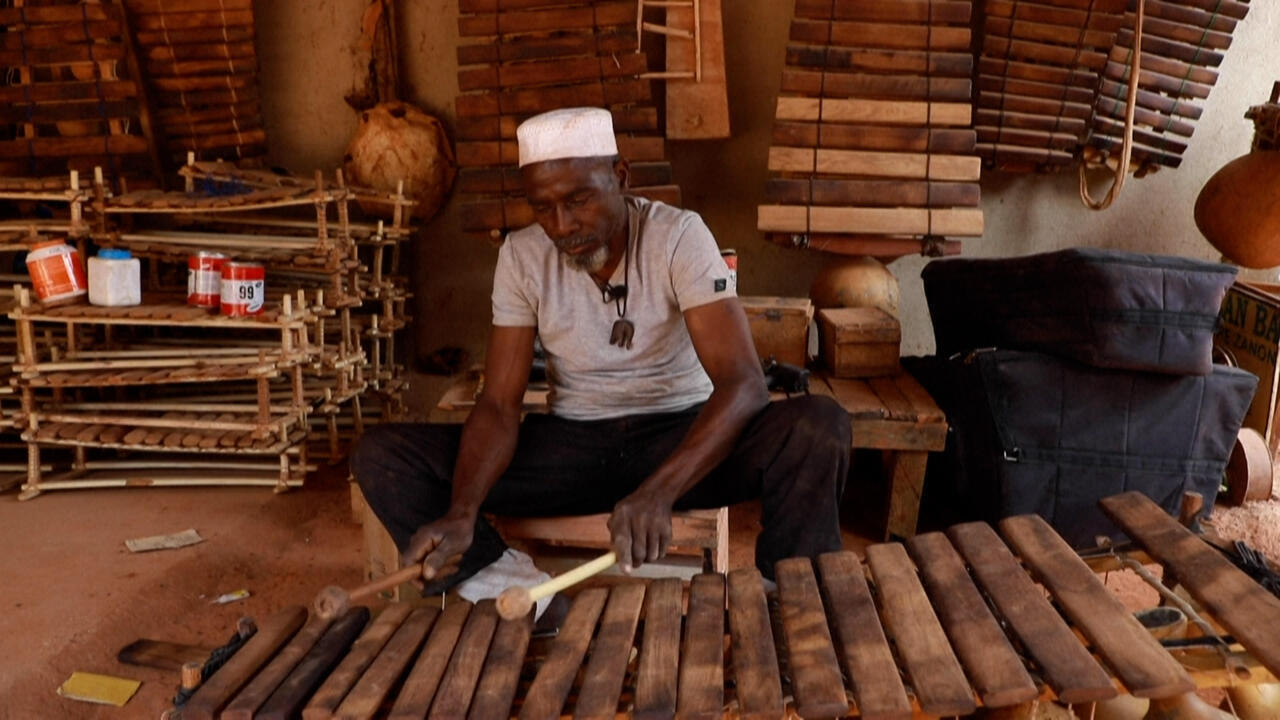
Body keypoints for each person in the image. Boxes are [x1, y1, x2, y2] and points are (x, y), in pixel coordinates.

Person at [352, 107, 851, 607]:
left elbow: (743, 384)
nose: (562, 225)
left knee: (817, 426)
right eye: (543, 208)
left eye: (579, 199)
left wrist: (659, 491)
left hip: (682, 438)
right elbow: (500, 404)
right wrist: (463, 510)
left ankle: (789, 597)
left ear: (620, 176)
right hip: (575, 447)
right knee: (383, 454)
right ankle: (511, 588)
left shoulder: (678, 236)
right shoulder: (522, 257)